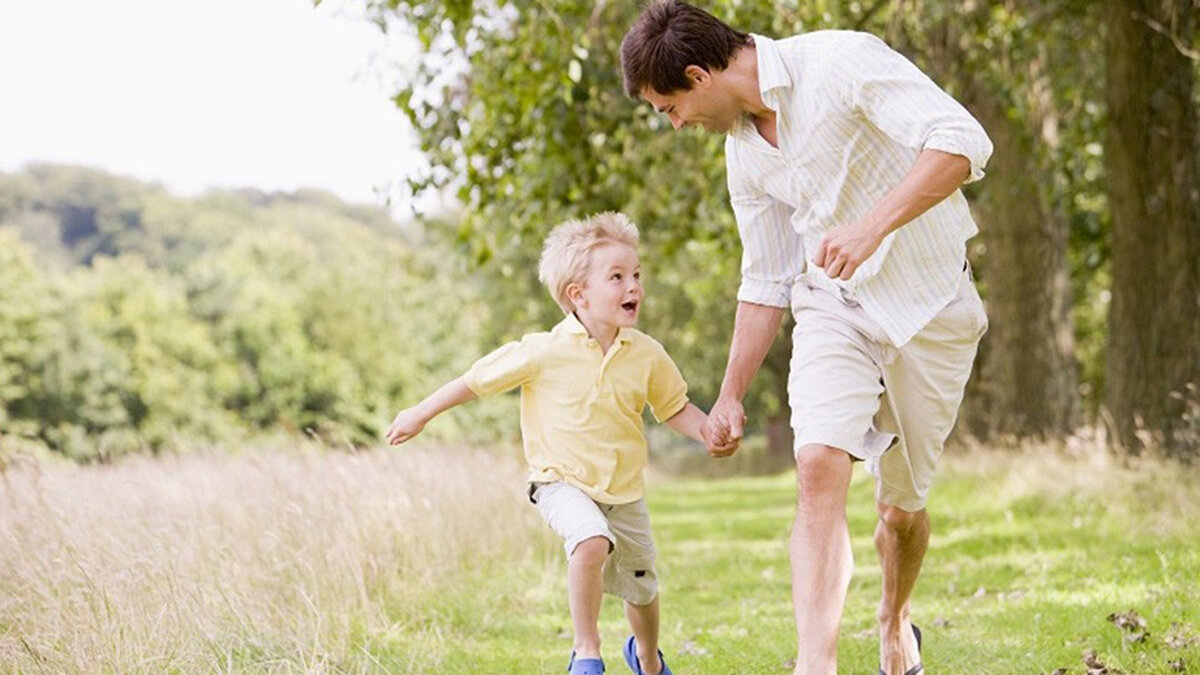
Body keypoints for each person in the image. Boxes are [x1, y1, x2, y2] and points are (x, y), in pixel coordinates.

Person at [620, 3, 993, 674]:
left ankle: (895, 616)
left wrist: (872, 226)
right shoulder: (744, 157)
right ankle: (813, 664)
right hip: (834, 307)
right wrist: (729, 394)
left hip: (932, 305)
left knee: (900, 509)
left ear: (699, 75)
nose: (676, 125)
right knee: (819, 464)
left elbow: (963, 141)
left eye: (668, 108)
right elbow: (765, 278)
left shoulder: (839, 62)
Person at [386, 212, 717, 675]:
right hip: (560, 482)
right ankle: (586, 650)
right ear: (577, 295)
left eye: (637, 275)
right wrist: (419, 413)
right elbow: (473, 382)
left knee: (641, 586)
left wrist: (707, 431)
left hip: (624, 492)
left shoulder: (646, 353)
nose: (633, 287)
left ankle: (645, 658)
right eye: (617, 277)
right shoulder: (542, 350)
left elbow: (674, 407)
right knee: (590, 539)